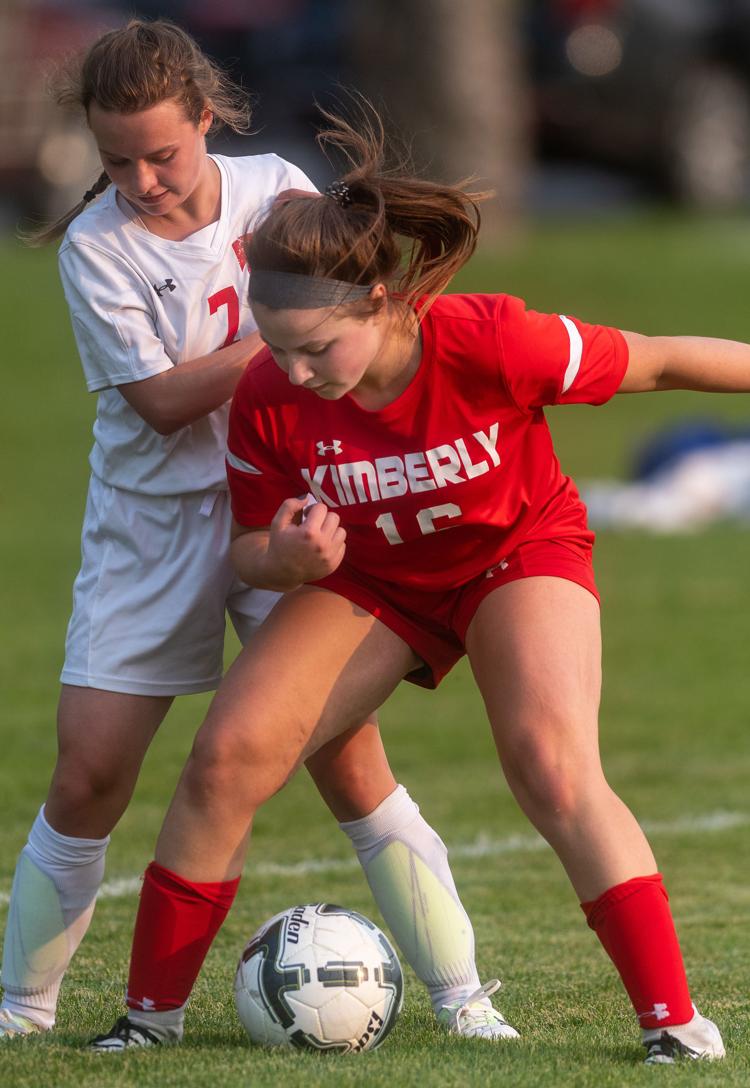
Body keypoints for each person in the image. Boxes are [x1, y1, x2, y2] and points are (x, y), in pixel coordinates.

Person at [86, 102, 736, 1065]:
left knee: (552, 768)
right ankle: (146, 1021)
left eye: (319, 348)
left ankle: (675, 1026)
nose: (297, 372)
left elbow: (665, 360)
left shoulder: (489, 342)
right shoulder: (271, 390)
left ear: (383, 304)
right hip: (378, 581)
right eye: (279, 345)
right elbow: (251, 549)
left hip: (516, 555)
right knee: (227, 758)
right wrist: (289, 559)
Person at [0, 22, 517, 1046]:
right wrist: (286, 333)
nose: (142, 179)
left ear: (205, 117)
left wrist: (330, 333)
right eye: (115, 161)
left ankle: (467, 999)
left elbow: (352, 321)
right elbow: (160, 403)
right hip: (153, 528)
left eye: (163, 153)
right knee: (90, 771)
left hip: (287, 505)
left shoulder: (272, 187)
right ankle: (23, 1007)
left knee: (345, 756)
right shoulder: (100, 248)